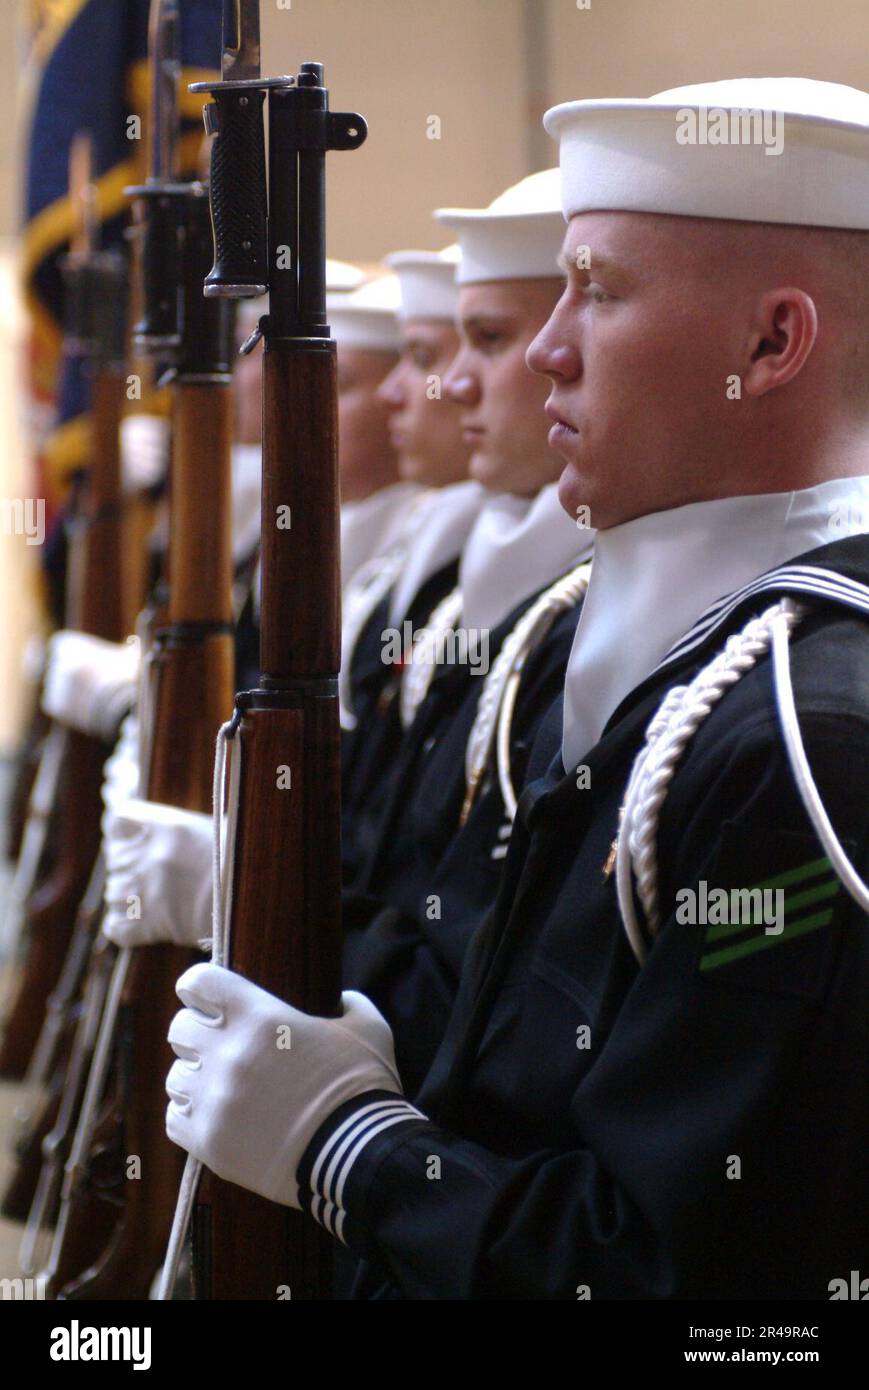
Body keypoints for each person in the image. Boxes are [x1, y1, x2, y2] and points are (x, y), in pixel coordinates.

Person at [164, 76, 869, 1300]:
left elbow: (695, 1285)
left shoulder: (811, 736)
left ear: (770, 344)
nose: (547, 347)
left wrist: (352, 1150)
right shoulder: (575, 639)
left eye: (593, 292)